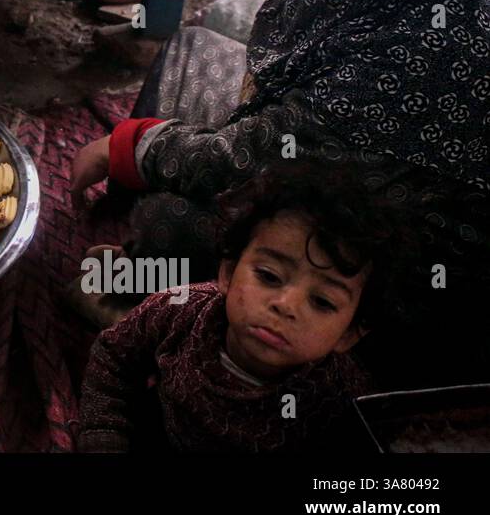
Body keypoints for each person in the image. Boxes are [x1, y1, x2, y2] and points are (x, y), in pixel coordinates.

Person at [55, 0, 490, 335]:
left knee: (176, 216)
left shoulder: (423, 52)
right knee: (193, 48)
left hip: (397, 256)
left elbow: (242, 163)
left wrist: (130, 148)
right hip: (321, 155)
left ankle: (138, 310)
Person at [76, 166, 414, 452]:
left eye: (322, 302)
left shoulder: (345, 399)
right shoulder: (178, 309)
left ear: (350, 333)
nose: (285, 305)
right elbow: (112, 358)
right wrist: (104, 438)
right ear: (227, 272)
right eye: (269, 276)